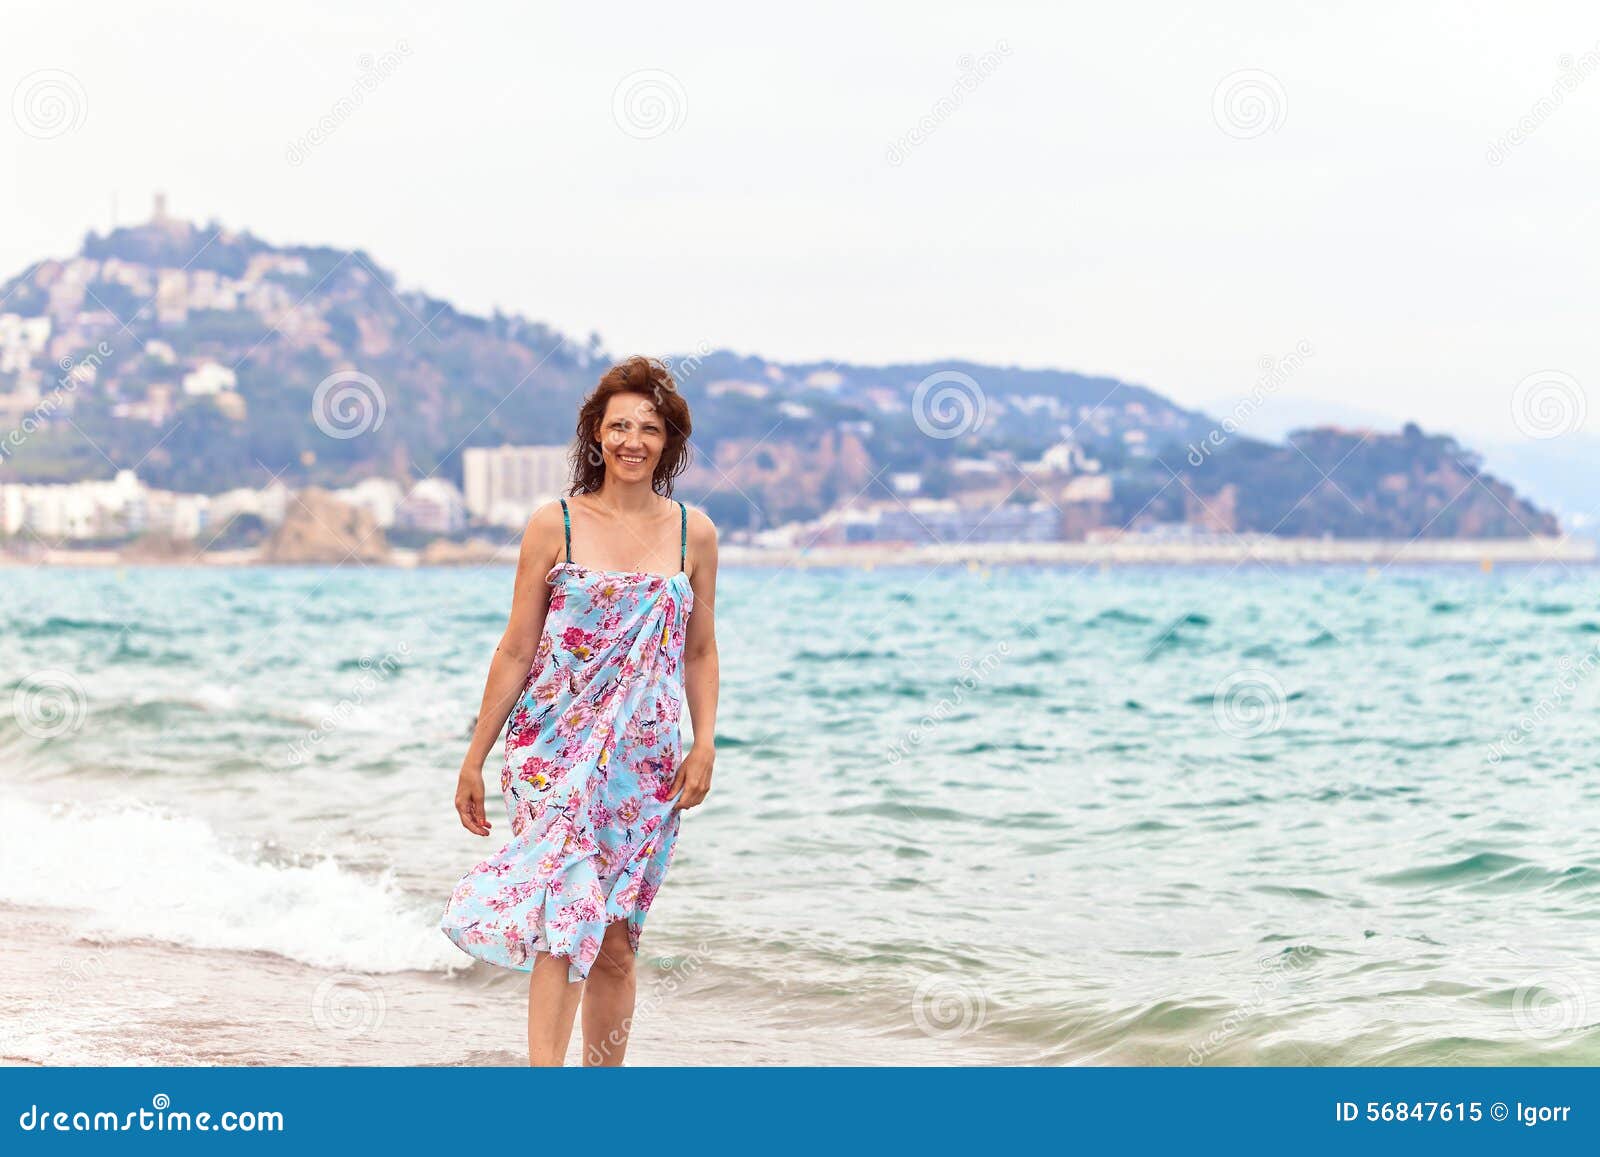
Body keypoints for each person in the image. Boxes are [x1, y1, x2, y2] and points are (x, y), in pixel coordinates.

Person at [439, 355, 719, 1065]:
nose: (632, 439)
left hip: (645, 759)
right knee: (561, 923)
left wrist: (705, 741)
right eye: (618, 424)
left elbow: (700, 651)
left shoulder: (695, 534)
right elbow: (515, 649)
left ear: (669, 442)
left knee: (619, 942)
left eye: (649, 428)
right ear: (595, 435)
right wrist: (475, 756)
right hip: (552, 749)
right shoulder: (553, 523)